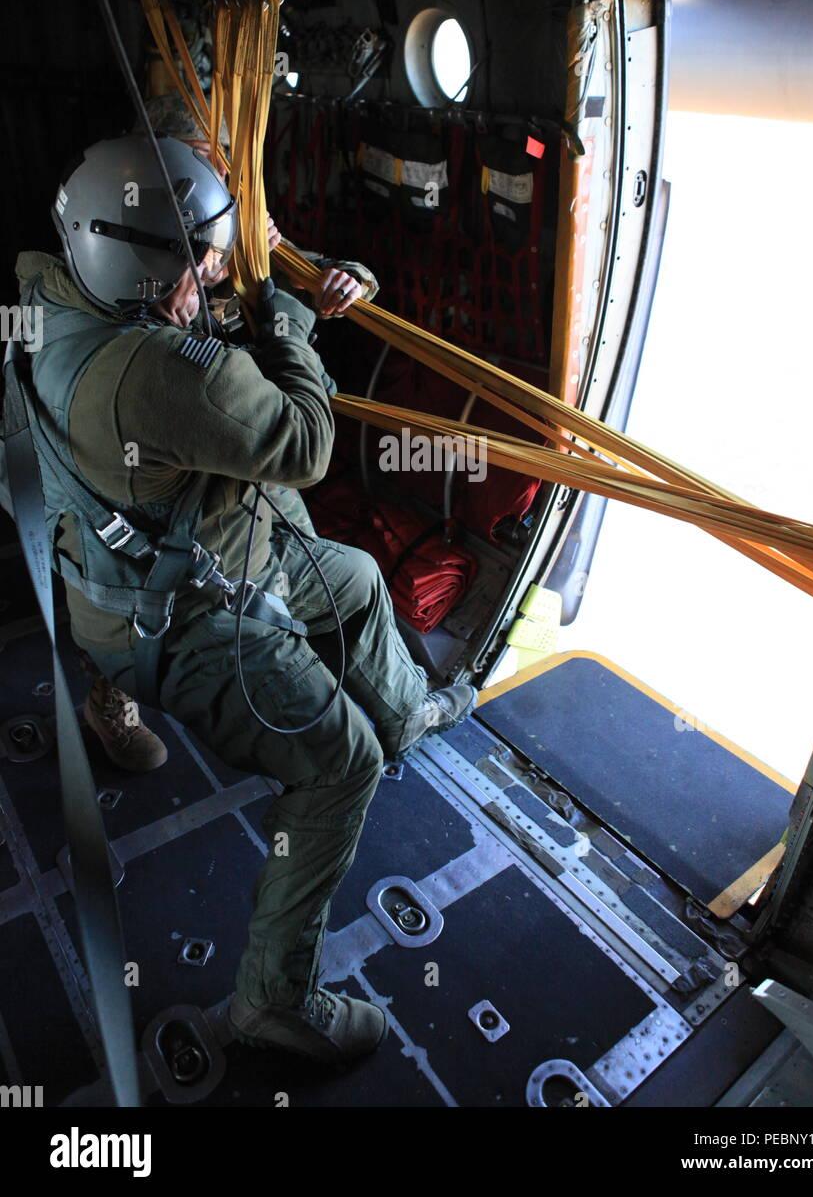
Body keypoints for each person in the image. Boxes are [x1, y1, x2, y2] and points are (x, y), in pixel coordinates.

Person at [17, 131, 477, 1064]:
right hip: (180, 614)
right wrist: (297, 324)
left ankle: (403, 716)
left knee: (350, 580)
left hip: (141, 572)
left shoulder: (56, 294)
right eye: (203, 259)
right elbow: (305, 441)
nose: (221, 272)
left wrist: (305, 289)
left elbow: (201, 323)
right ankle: (276, 1002)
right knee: (337, 767)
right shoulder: (156, 375)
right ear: (144, 268)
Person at [81, 94, 359, 773]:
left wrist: (348, 282)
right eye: (199, 162)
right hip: (169, 417)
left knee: (291, 548)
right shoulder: (132, 229)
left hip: (243, 425)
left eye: (219, 163)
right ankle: (113, 688)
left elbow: (310, 270)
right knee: (137, 554)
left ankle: (281, 658)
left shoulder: (242, 229)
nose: (215, 176)